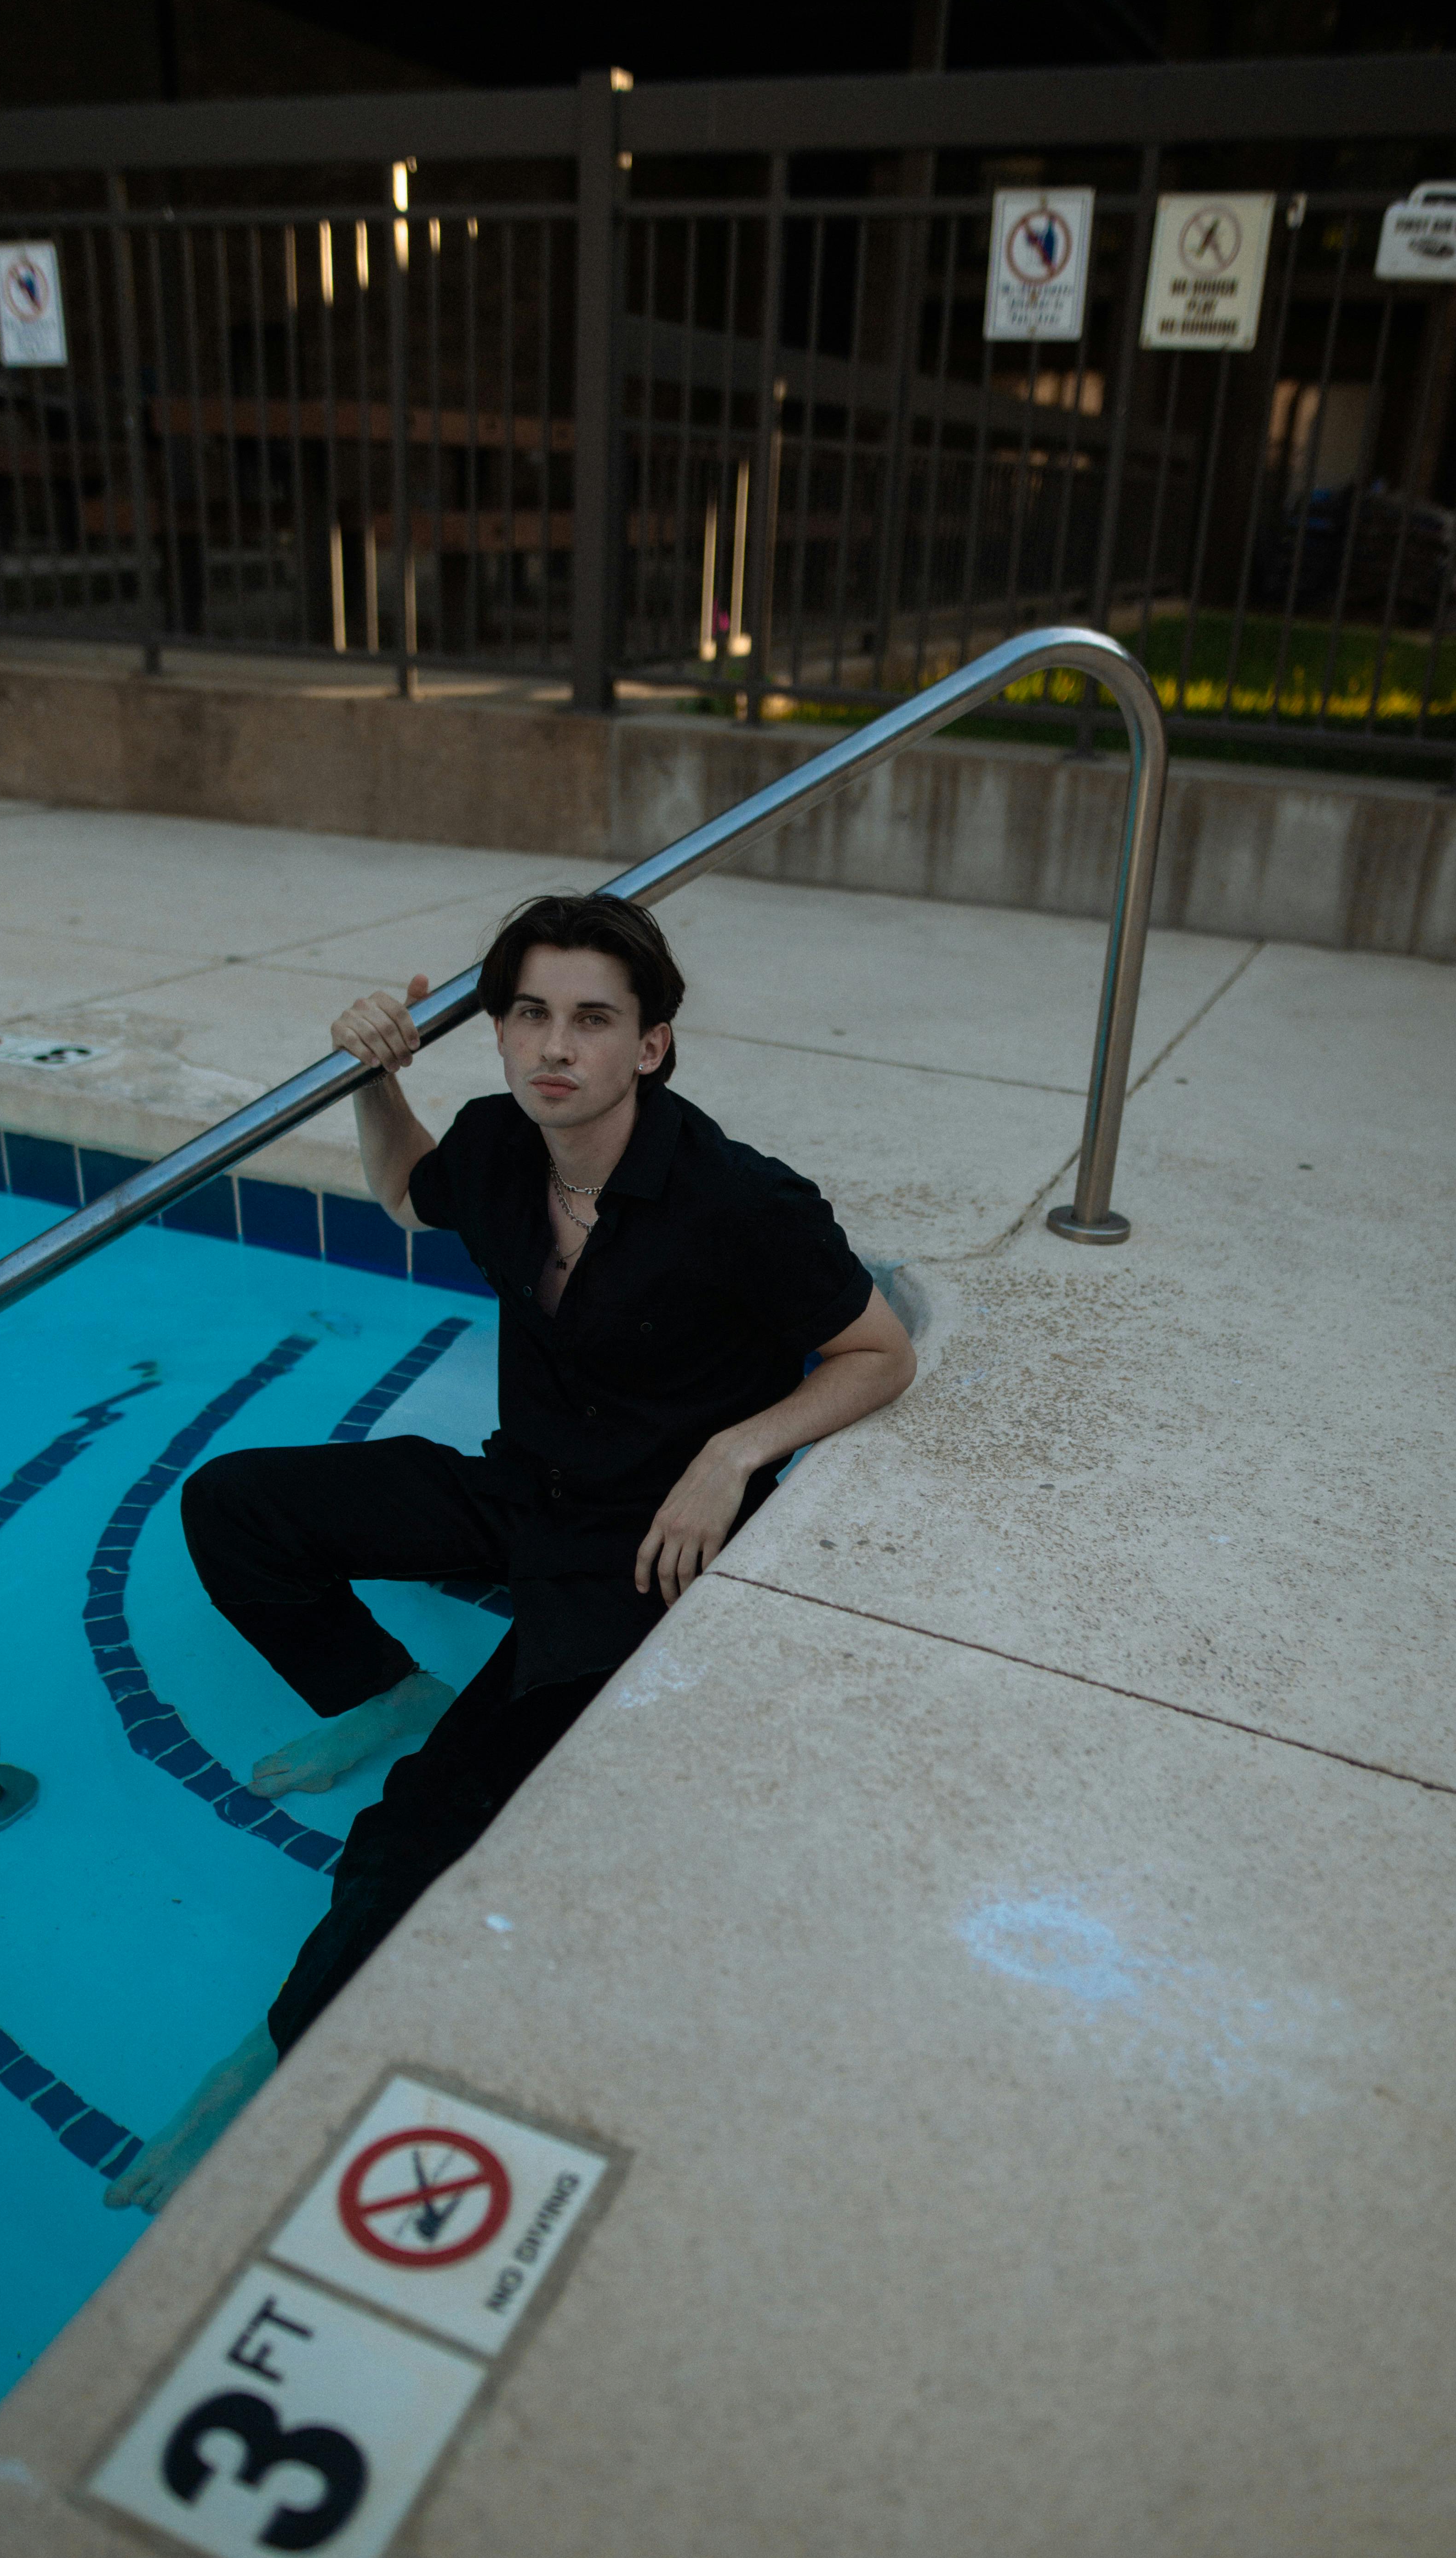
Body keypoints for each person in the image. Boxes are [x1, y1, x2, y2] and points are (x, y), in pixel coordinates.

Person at [106, 893, 915, 2212]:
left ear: (651, 1044)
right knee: (235, 1507)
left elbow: (882, 1352)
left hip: (638, 1555)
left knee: (423, 1826)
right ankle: (385, 1691)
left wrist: (733, 1455)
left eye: (593, 1019)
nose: (556, 1045)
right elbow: (399, 1191)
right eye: (528, 1013)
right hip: (521, 1491)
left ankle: (278, 2052)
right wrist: (377, 1078)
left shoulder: (738, 1200)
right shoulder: (497, 1145)